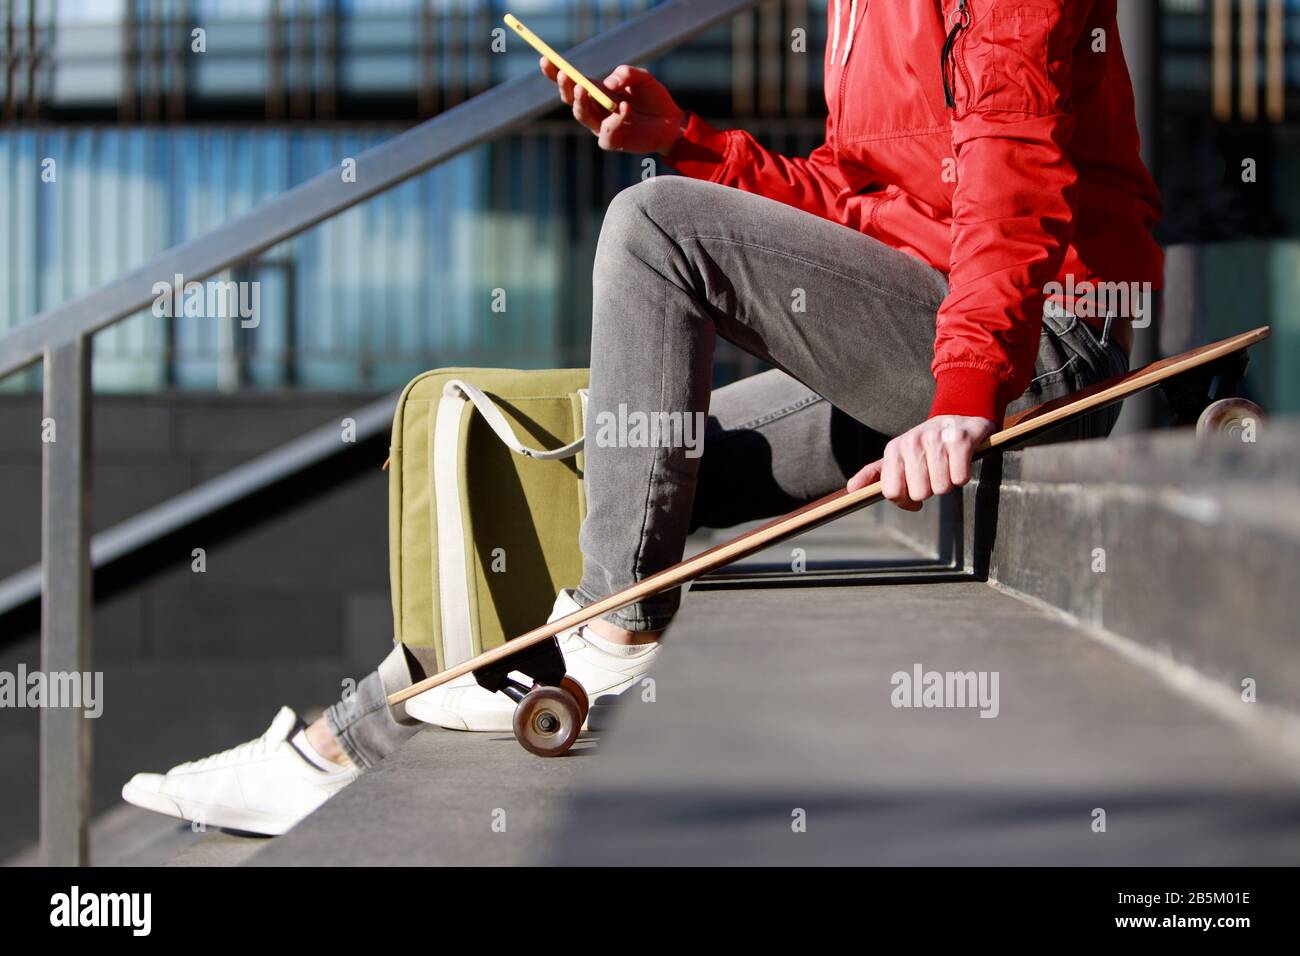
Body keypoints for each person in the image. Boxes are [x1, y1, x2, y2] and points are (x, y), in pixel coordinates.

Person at [121, 0, 1161, 835]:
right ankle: (335, 748)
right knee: (610, 471)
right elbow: (854, 204)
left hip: (1039, 347)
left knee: (651, 223)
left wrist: (964, 395)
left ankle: (611, 626)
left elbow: (1011, 186)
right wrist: (688, 138)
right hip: (916, 332)